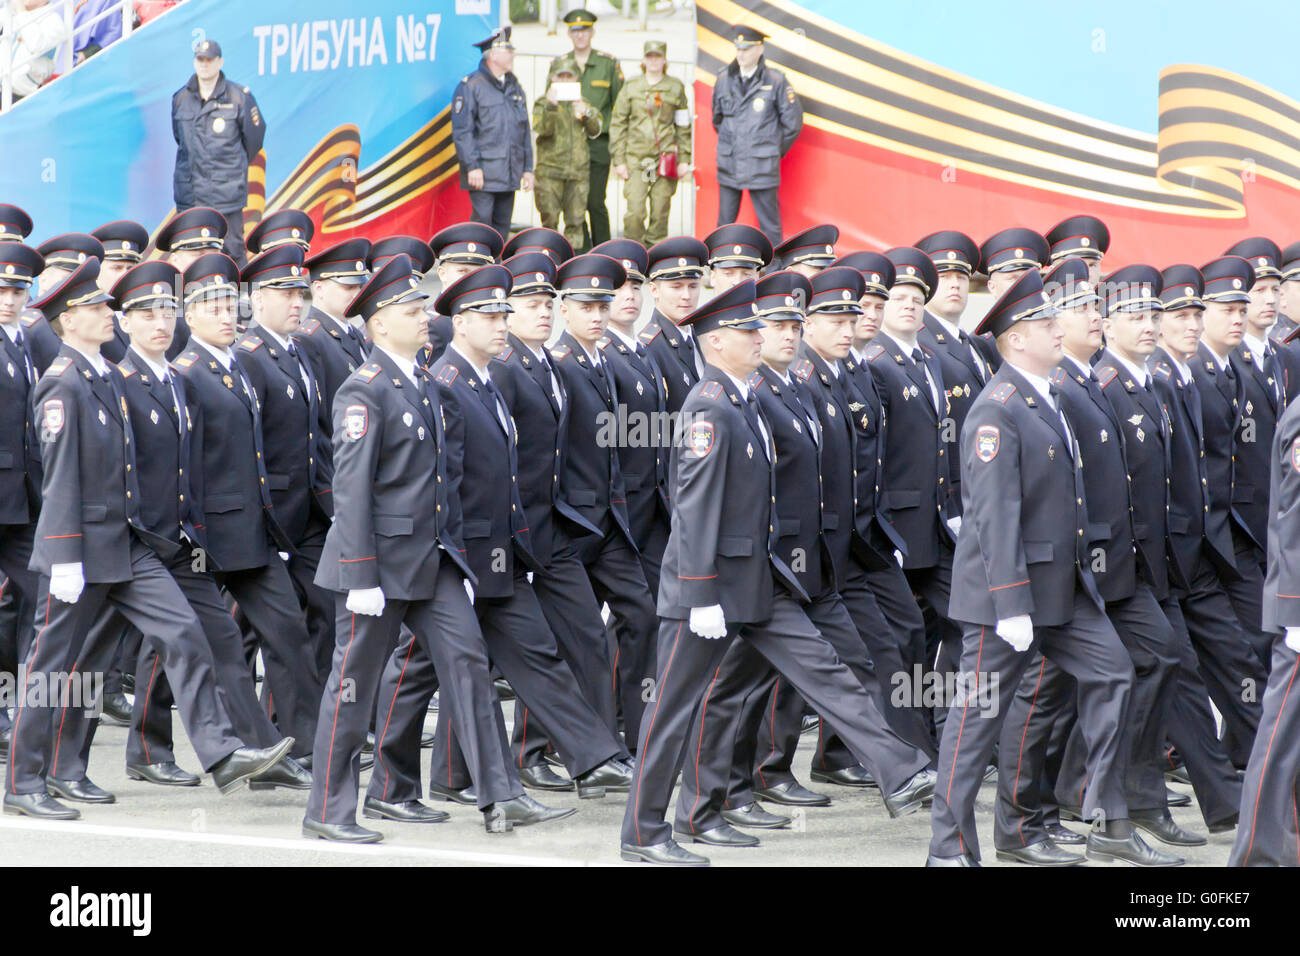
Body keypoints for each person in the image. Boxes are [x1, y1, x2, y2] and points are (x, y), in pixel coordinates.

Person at [620, 279, 933, 866]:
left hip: (758, 581)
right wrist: (700, 593)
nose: (760, 336)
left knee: (826, 669)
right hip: (707, 591)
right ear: (716, 343)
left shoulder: (742, 397)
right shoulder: (709, 406)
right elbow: (692, 509)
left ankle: (900, 767)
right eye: (748, 330)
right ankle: (642, 832)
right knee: (669, 712)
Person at [5, 257, 292, 820]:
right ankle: (24, 779)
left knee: (184, 631)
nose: (107, 316)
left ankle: (222, 752)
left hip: (129, 543)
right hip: (82, 551)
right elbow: (62, 474)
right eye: (95, 308)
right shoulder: (63, 384)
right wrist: (64, 555)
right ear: (67, 320)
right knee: (51, 669)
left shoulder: (103, 375)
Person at [303, 254, 565, 842]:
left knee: (469, 663)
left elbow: (444, 479)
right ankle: (327, 808)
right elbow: (352, 490)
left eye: (423, 306)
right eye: (410, 308)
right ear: (377, 322)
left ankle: (501, 794)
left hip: (433, 560)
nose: (424, 316)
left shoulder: (421, 381)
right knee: (351, 685)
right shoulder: (363, 391)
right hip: (376, 567)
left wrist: (459, 558)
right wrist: (360, 574)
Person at [927, 267, 1178, 867]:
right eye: (1043, 323)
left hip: (1061, 589)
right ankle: (949, 849)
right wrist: (1011, 603)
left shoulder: (1049, 395)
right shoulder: (998, 409)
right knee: (974, 725)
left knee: (1116, 670)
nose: (1055, 331)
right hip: (1005, 599)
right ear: (1016, 337)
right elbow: (993, 516)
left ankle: (1106, 817)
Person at [172, 253, 320, 763]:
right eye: (212, 307)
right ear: (189, 316)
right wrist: (190, 532)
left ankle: (297, 748)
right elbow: (182, 462)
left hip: (251, 532)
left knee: (288, 634)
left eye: (229, 306)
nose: (225, 316)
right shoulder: (187, 372)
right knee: (200, 646)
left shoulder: (231, 365)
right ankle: (145, 749)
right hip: (207, 534)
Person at [237, 245, 335, 684]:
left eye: (301, 293)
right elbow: (247, 443)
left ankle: (299, 726)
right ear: (258, 300)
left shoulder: (301, 351)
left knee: (325, 610)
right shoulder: (248, 355)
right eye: (285, 293)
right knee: (239, 629)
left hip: (309, 507)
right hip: (269, 512)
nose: (297, 302)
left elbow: (318, 432)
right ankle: (239, 725)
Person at [171, 39, 266, 266]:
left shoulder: (239, 97)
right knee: (189, 254)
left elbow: (254, 140)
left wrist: (229, 171)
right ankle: (191, 300)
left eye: (209, 60)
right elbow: (179, 139)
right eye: (200, 59)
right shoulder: (180, 99)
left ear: (219, 62)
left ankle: (238, 300)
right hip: (190, 195)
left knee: (232, 251)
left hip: (226, 195)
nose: (204, 65)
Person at [712, 25, 802, 243]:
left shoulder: (776, 81)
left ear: (760, 50)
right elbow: (717, 119)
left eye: (747, 49)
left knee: (769, 224)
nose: (741, 55)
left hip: (762, 164)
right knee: (724, 223)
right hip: (730, 161)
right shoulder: (724, 79)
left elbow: (793, 123)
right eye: (738, 49)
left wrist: (771, 150)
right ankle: (721, 268)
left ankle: (773, 270)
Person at [450, 26, 532, 242]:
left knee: (502, 228)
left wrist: (528, 169)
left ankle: (496, 271)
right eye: (508, 50)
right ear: (493, 55)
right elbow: (463, 131)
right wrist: (473, 166)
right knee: (482, 229)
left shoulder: (514, 86)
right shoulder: (471, 86)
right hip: (484, 173)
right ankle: (480, 272)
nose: (513, 54)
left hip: (509, 172)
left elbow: (524, 130)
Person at [551, 9, 622, 250]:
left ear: (592, 32)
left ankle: (604, 252)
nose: (579, 35)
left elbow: (619, 106)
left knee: (595, 202)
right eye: (574, 30)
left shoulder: (608, 64)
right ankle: (580, 253)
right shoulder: (559, 64)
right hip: (568, 146)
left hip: (597, 145)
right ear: (569, 33)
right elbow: (549, 103)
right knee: (574, 203)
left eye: (584, 30)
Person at [610, 41, 691, 247]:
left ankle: (655, 255)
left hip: (665, 159)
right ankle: (634, 252)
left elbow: (683, 126)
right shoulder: (631, 87)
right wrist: (619, 160)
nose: (653, 61)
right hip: (635, 159)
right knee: (635, 211)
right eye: (650, 56)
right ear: (644, 60)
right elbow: (618, 123)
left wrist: (684, 158)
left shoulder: (675, 87)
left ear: (665, 59)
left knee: (661, 210)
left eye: (657, 56)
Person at [295, 238, 371, 416]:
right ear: (319, 288)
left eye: (359, 286)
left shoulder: (353, 332)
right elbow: (319, 414)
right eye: (348, 287)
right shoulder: (309, 339)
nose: (357, 294)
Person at [532, 63, 602, 252]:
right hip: (550, 172)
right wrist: (551, 107)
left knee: (576, 222)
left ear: (576, 78)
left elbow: (595, 130)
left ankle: (573, 265)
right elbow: (542, 129)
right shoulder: (542, 103)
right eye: (560, 76)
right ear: (552, 77)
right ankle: (550, 261)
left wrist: (586, 113)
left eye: (568, 77)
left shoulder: (583, 102)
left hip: (577, 173)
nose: (564, 80)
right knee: (549, 221)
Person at [639, 237, 708, 414]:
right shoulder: (649, 347)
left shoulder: (698, 333)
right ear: (654, 290)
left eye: (693, 286)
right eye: (676, 287)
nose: (686, 295)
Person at [154, 206, 229, 359]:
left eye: (212, 254)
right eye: (198, 255)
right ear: (175, 260)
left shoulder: (233, 305)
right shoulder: (167, 310)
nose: (207, 262)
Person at [0, 0, 69, 100]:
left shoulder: (53, 21)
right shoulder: (11, 12)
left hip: (23, 95)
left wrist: (21, 12)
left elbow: (36, 45)